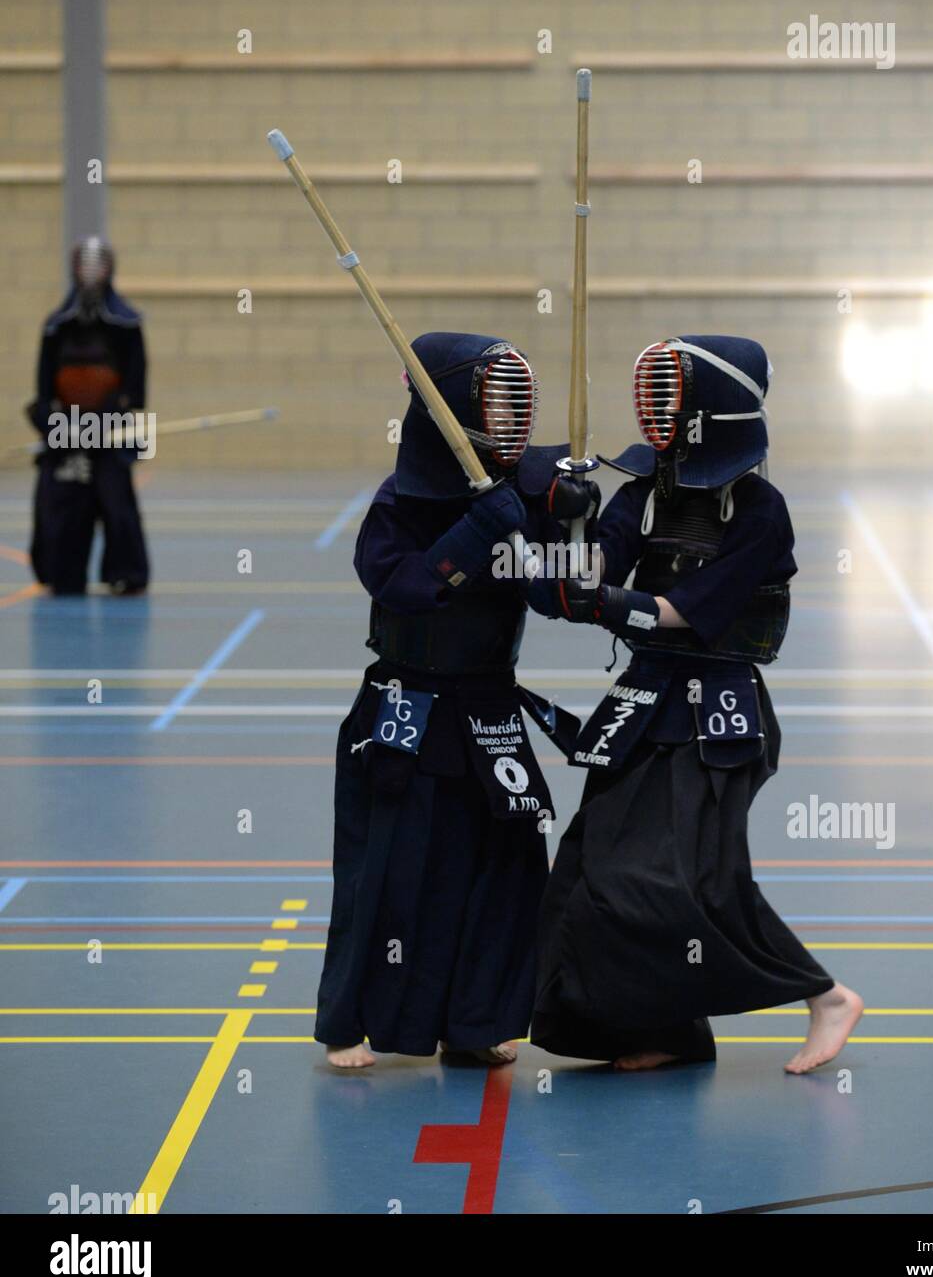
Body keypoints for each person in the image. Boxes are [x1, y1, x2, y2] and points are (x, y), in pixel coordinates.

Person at [528, 335, 863, 1074]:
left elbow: (689, 609)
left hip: (717, 712)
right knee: (597, 867)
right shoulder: (640, 493)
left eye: (674, 395)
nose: (659, 411)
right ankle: (664, 1029)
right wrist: (566, 531)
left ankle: (825, 995)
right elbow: (585, 576)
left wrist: (611, 602)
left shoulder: (761, 512)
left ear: (711, 409)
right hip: (644, 702)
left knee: (697, 880)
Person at [315, 331, 592, 1070]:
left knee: (504, 866)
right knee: (390, 868)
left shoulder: (525, 494)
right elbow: (403, 587)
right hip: (408, 702)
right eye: (493, 403)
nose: (510, 419)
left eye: (514, 403)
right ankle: (350, 1021)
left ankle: (474, 1022)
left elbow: (555, 596)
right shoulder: (397, 503)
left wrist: (572, 523)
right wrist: (476, 532)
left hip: (489, 707)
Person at [27, 237, 149, 596]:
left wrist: (119, 418)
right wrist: (49, 423)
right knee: (62, 502)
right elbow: (45, 385)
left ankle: (125, 572)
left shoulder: (126, 325)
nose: (92, 273)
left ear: (110, 269)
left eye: (99, 265)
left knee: (117, 502)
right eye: (85, 265)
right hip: (67, 430)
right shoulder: (57, 326)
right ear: (74, 269)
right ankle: (60, 572)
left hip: (111, 429)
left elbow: (136, 386)